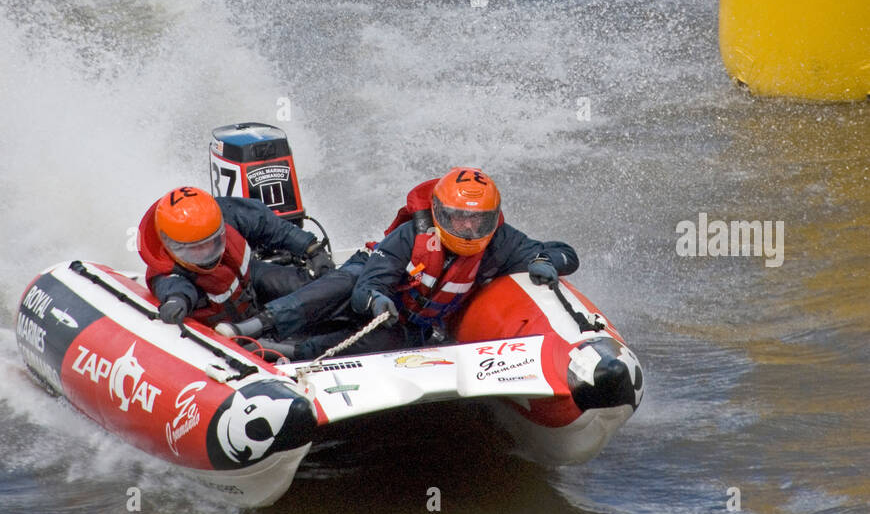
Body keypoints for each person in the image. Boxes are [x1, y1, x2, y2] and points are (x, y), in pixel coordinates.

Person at [226, 167, 579, 359]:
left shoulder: (500, 240)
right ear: (440, 213)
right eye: (458, 219)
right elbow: (368, 286)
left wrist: (547, 261)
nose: (469, 229)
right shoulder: (412, 235)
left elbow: (564, 252)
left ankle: (285, 352)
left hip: (407, 321)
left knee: (393, 339)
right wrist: (377, 301)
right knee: (339, 286)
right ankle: (254, 326)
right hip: (364, 286)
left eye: (479, 220)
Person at [137, 186, 334, 329]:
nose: (207, 254)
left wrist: (312, 248)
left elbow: (271, 226)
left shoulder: (228, 213)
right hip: (225, 329)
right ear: (172, 247)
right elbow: (174, 287)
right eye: (195, 249)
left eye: (211, 242)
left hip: (250, 278)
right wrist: (176, 301)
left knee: (318, 287)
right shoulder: (165, 271)